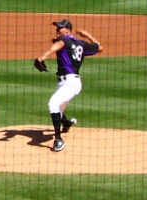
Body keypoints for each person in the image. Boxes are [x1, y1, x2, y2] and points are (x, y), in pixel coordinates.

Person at [34, 18, 104, 152]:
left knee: (52, 104)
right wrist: (86, 35)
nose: (57, 30)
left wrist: (42, 57)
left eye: (60, 28)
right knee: (58, 109)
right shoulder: (81, 44)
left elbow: (58, 45)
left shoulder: (64, 40)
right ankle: (66, 123)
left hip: (70, 82)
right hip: (68, 82)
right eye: (57, 27)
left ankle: (58, 140)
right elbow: (99, 47)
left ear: (67, 30)